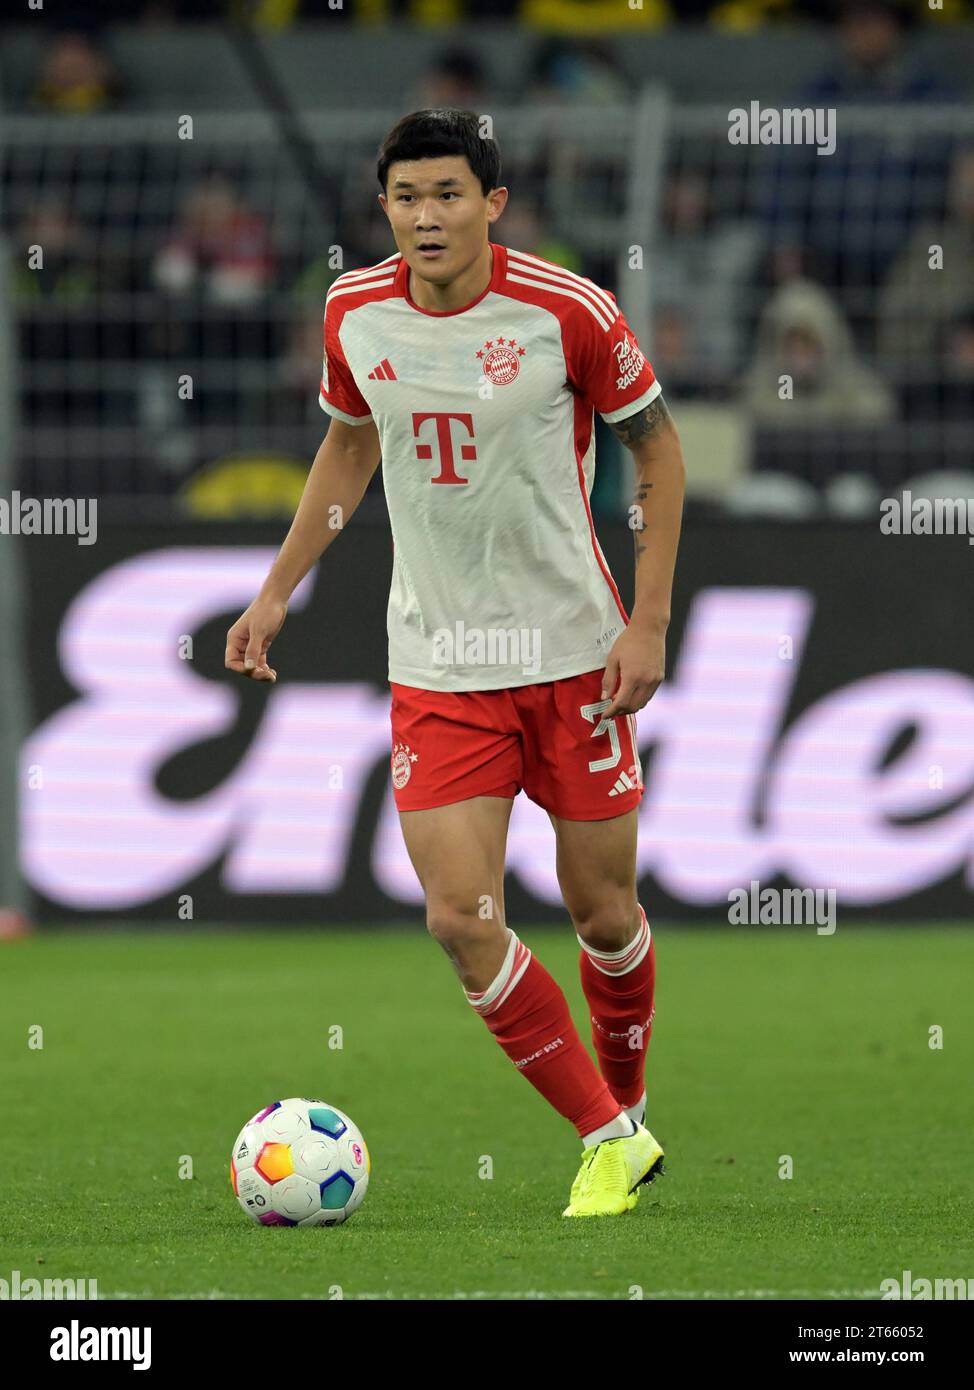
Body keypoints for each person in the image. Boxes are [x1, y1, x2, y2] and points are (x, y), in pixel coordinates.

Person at [225, 109, 685, 1219]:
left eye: (445, 194)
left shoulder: (565, 310)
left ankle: (621, 1114)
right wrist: (278, 584)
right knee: (458, 915)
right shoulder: (352, 309)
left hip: (575, 657)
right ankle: (606, 1134)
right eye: (403, 198)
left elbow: (656, 449)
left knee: (603, 914)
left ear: (493, 204)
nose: (424, 217)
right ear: (382, 209)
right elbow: (347, 443)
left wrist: (650, 623)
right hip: (438, 664)